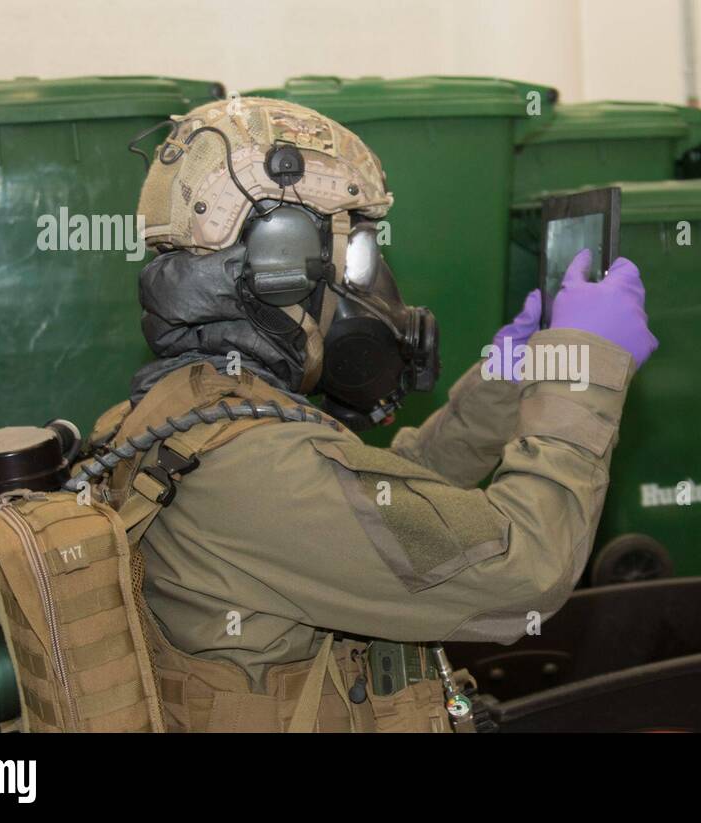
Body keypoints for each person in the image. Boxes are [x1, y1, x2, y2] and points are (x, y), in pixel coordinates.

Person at [86, 96, 657, 732]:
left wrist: (507, 383)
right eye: (356, 249)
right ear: (279, 261)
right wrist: (583, 372)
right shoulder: (251, 464)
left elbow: (384, 508)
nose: (376, 283)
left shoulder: (179, 413)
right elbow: (524, 572)